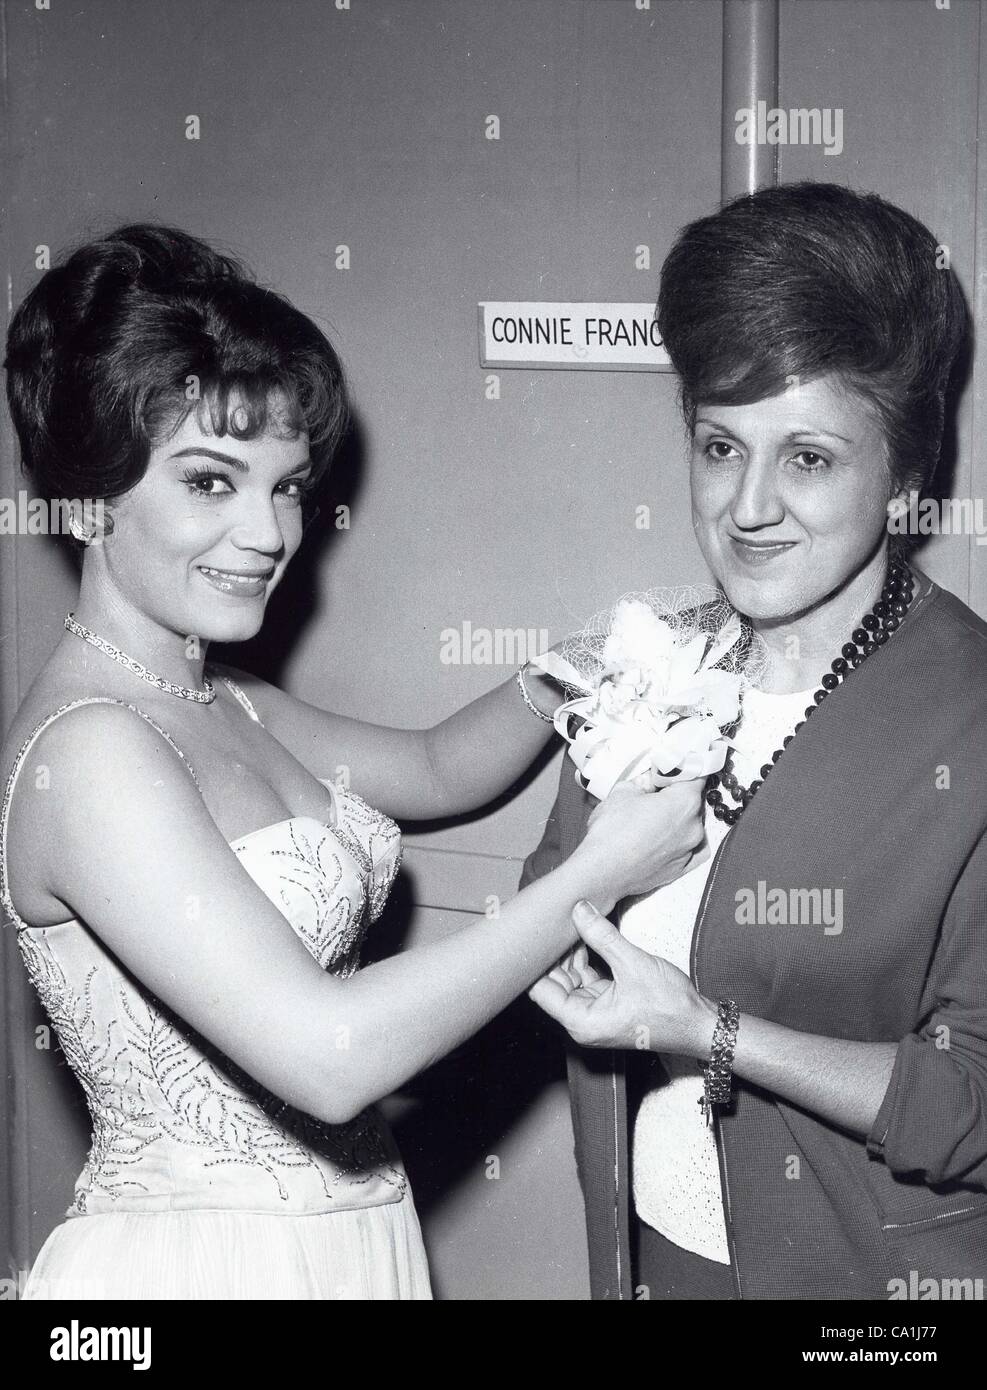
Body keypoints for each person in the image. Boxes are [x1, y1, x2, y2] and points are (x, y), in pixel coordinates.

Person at [0, 223, 706, 1300]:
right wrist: (594, 877)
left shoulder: (224, 698)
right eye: (210, 480)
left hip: (353, 1246)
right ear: (92, 491)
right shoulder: (89, 753)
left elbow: (434, 770)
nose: (269, 531)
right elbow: (329, 1056)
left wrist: (584, 660)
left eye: (286, 485)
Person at [521, 182, 987, 1300]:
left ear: (907, 473)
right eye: (721, 447)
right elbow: (553, 888)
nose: (749, 507)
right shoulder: (648, 658)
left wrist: (706, 1031)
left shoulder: (969, 720)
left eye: (811, 458)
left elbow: (973, 1104)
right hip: (654, 1255)